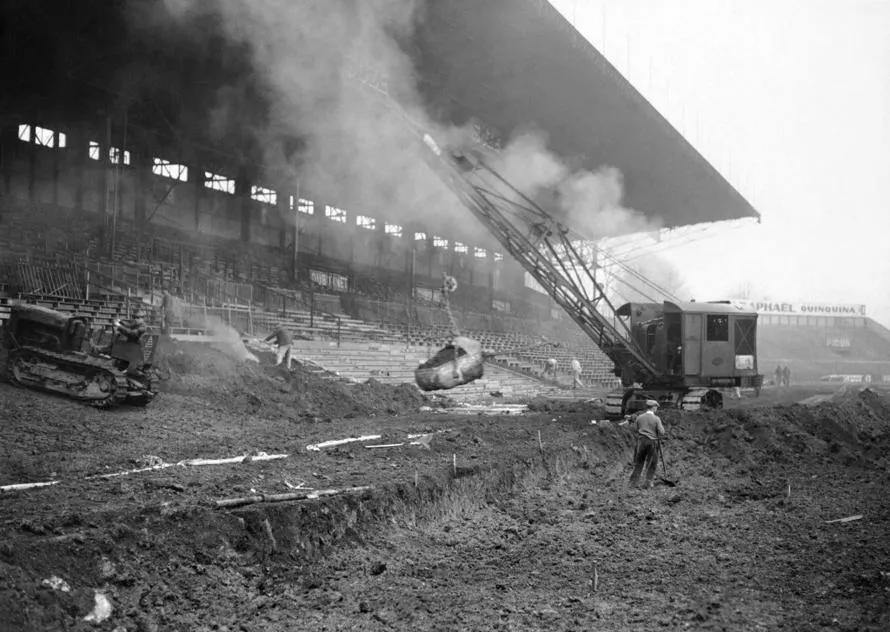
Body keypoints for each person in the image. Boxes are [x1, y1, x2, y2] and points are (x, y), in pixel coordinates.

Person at [629, 400, 667, 489]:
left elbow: (635, 428)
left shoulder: (640, 417)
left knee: (639, 462)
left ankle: (633, 483)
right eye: (656, 407)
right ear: (653, 407)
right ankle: (647, 483)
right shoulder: (656, 418)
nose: (657, 408)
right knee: (652, 463)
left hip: (641, 442)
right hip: (652, 442)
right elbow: (662, 432)